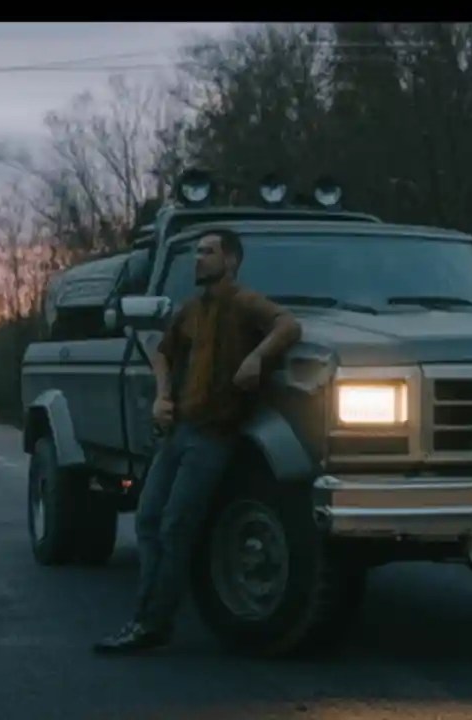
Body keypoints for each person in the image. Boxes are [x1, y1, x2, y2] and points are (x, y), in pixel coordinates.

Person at [94, 227, 301, 655]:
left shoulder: (244, 303)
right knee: (148, 520)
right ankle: (148, 615)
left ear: (231, 261)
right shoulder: (190, 311)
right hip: (178, 432)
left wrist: (256, 357)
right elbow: (163, 353)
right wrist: (163, 395)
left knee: (175, 527)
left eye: (208, 252)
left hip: (215, 436)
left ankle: (151, 623)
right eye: (197, 252)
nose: (198, 259)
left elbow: (288, 324)